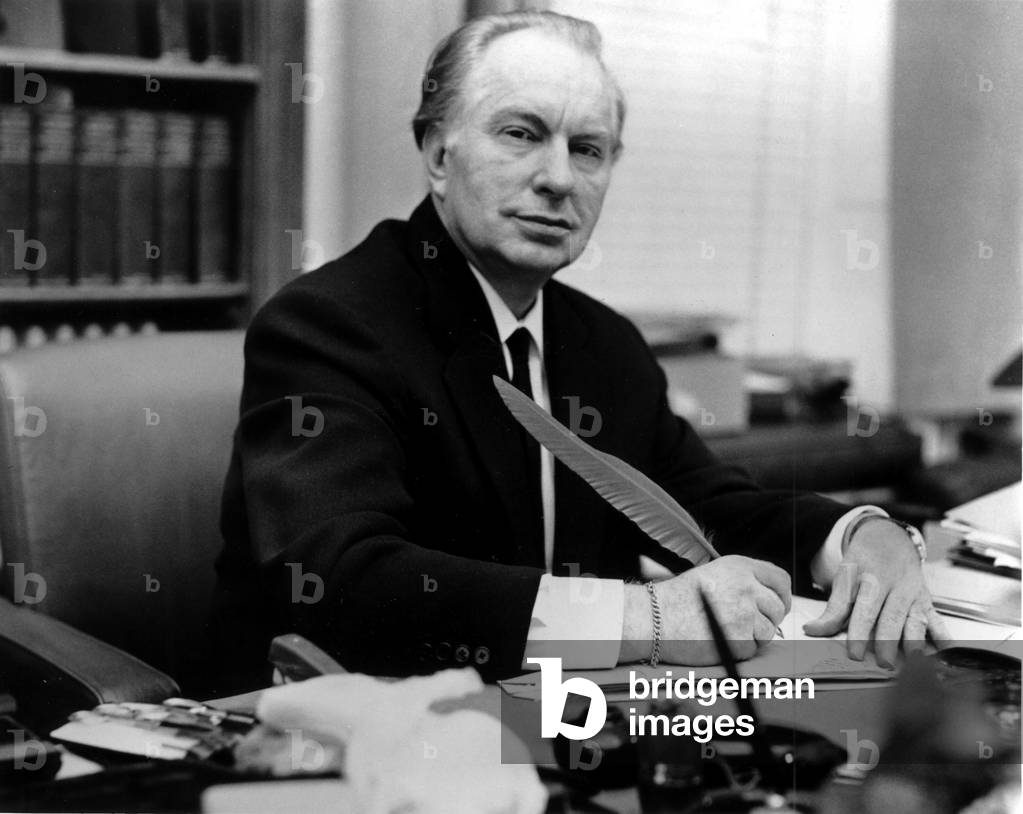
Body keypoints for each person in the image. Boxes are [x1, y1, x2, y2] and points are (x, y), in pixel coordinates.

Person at [211, 10, 946, 691]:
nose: (559, 179)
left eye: (587, 149)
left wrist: (859, 535)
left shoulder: (604, 345)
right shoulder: (328, 324)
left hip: (562, 717)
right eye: (520, 134)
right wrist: (643, 617)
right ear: (437, 153)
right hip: (357, 727)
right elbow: (340, 582)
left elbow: (709, 506)